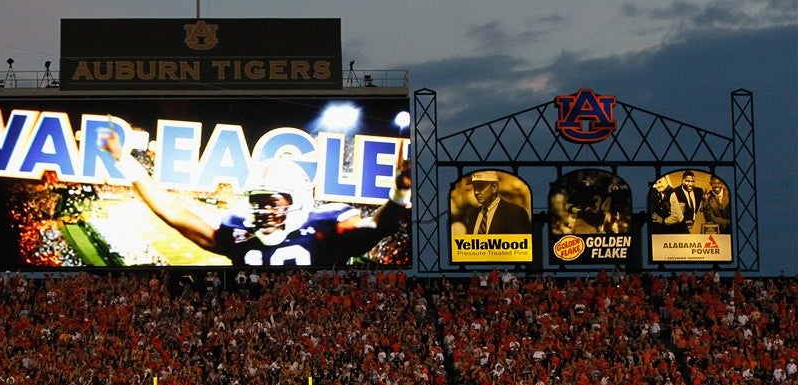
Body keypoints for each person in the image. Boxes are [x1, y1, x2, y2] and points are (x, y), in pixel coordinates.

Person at [99, 129, 407, 266]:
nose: (264, 211)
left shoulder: (327, 227)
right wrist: (121, 158)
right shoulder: (239, 233)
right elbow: (172, 212)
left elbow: (379, 227)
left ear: (297, 200)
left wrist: (399, 193)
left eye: (273, 202)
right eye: (259, 202)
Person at [463, 171, 530, 235]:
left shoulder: (514, 213)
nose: (476, 192)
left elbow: (523, 243)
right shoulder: (472, 214)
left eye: (480, 187)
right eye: (474, 187)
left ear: (494, 187)